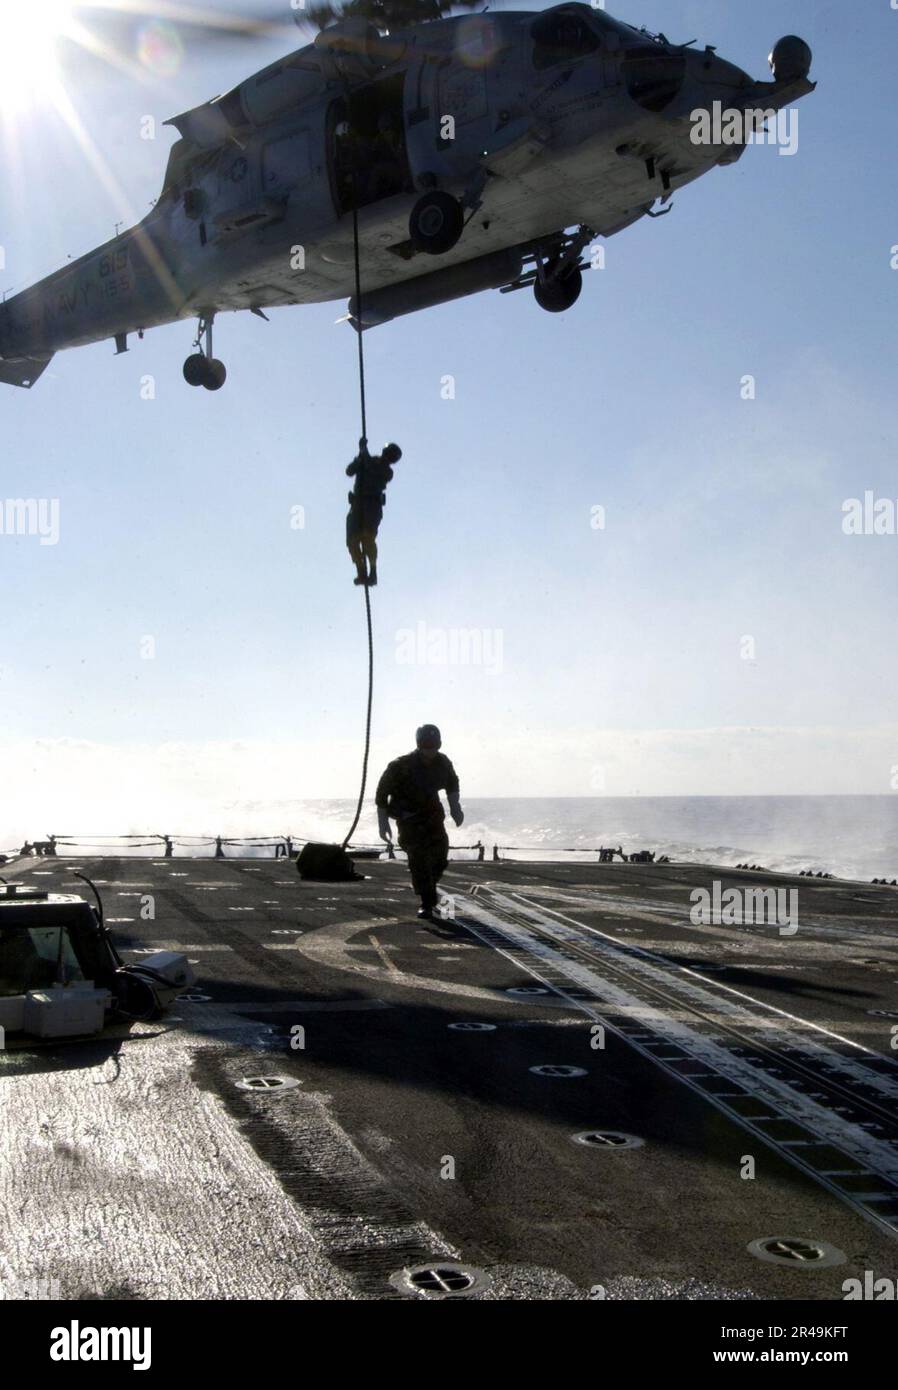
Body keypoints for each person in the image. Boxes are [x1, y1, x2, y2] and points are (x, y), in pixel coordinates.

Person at [375, 724, 463, 920]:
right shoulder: (400, 766)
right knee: (420, 859)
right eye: (426, 745)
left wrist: (455, 808)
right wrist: (383, 823)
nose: (430, 750)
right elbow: (382, 794)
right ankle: (427, 902)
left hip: (432, 818)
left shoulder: (442, 763)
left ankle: (428, 887)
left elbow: (452, 784)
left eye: (434, 745)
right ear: (419, 744)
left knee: (439, 858)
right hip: (409, 820)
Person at [346, 439, 401, 586]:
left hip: (371, 506)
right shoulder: (367, 459)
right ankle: (361, 571)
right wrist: (359, 458)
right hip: (357, 504)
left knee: (367, 537)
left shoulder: (387, 471)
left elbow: (372, 468)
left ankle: (373, 572)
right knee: (352, 541)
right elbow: (349, 471)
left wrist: (364, 452)